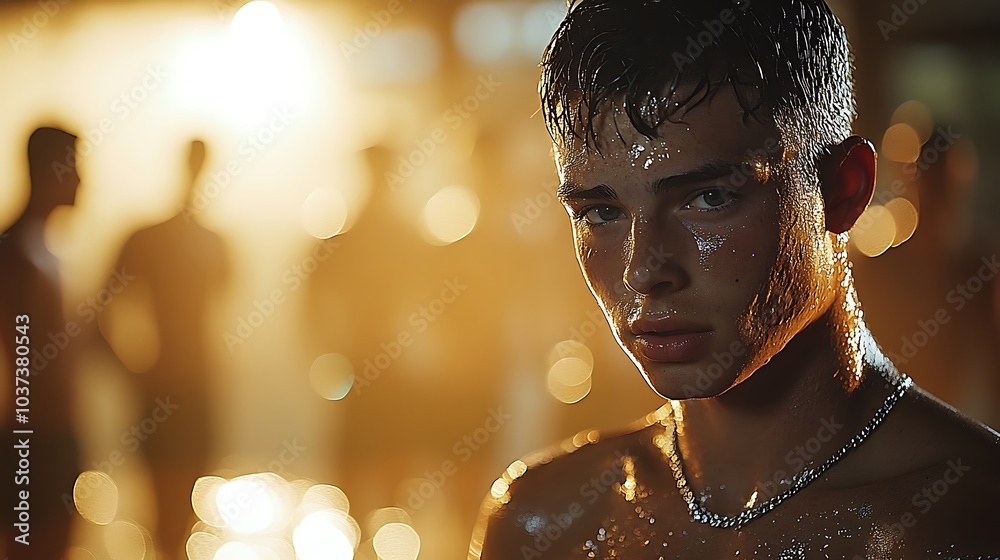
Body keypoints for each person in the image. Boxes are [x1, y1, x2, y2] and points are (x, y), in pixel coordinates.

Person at [469, 1, 1000, 558]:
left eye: (708, 198)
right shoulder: (543, 522)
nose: (644, 270)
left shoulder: (968, 519)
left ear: (843, 190)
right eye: (601, 213)